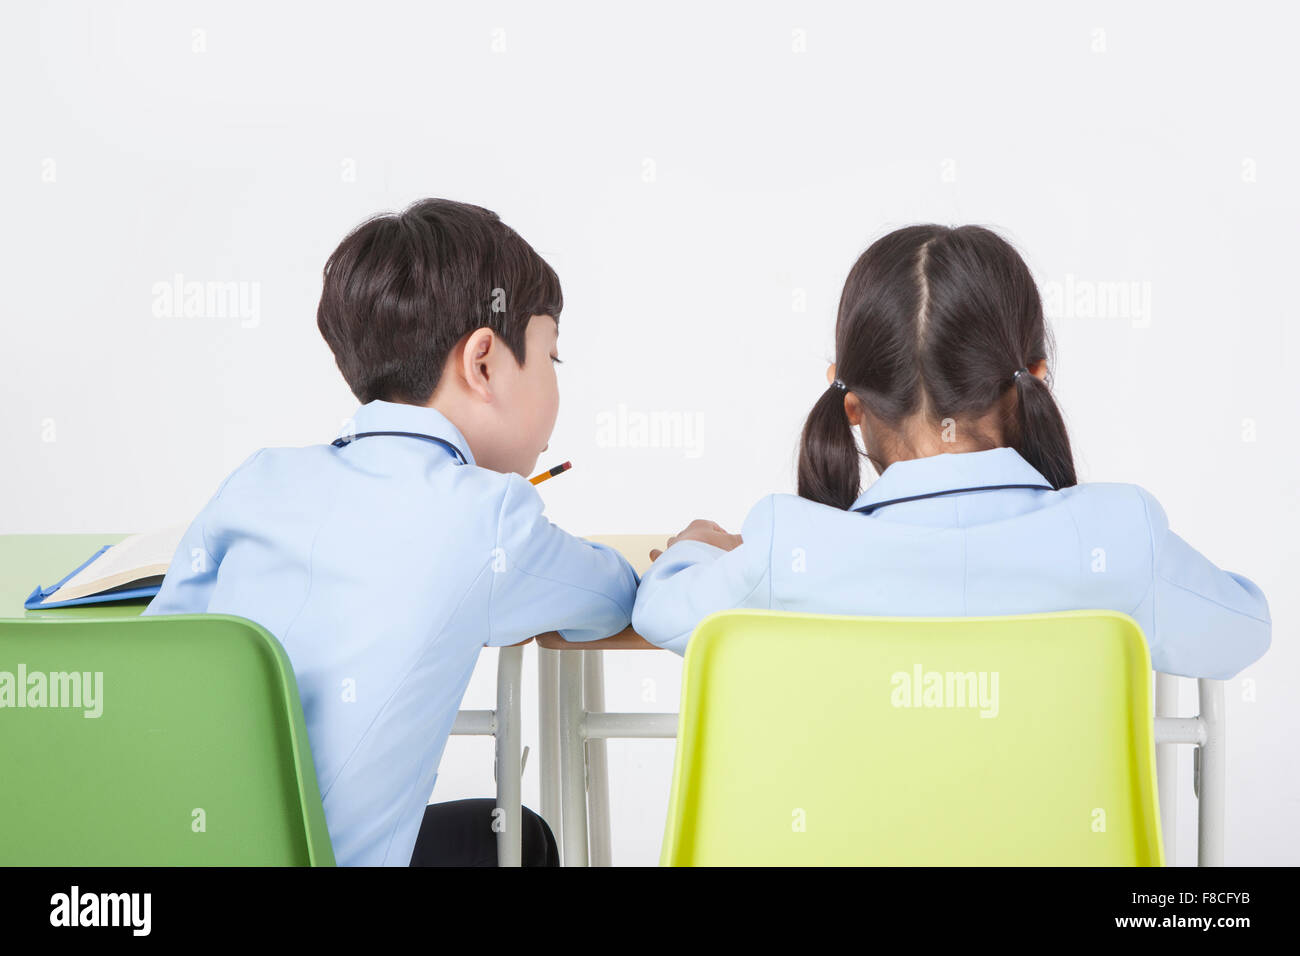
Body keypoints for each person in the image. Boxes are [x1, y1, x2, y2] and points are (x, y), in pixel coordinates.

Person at [144, 198, 638, 865]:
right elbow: (610, 598)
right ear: (484, 363)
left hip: (170, 855)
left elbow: (154, 655)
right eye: (554, 357)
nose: (555, 383)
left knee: (500, 829)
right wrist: (690, 547)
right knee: (520, 838)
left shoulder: (259, 480)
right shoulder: (487, 518)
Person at [632, 224, 1270, 680]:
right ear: (1032, 382)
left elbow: (659, 611)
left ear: (853, 409)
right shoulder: (1121, 537)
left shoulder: (787, 551)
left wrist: (694, 549)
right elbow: (1243, 629)